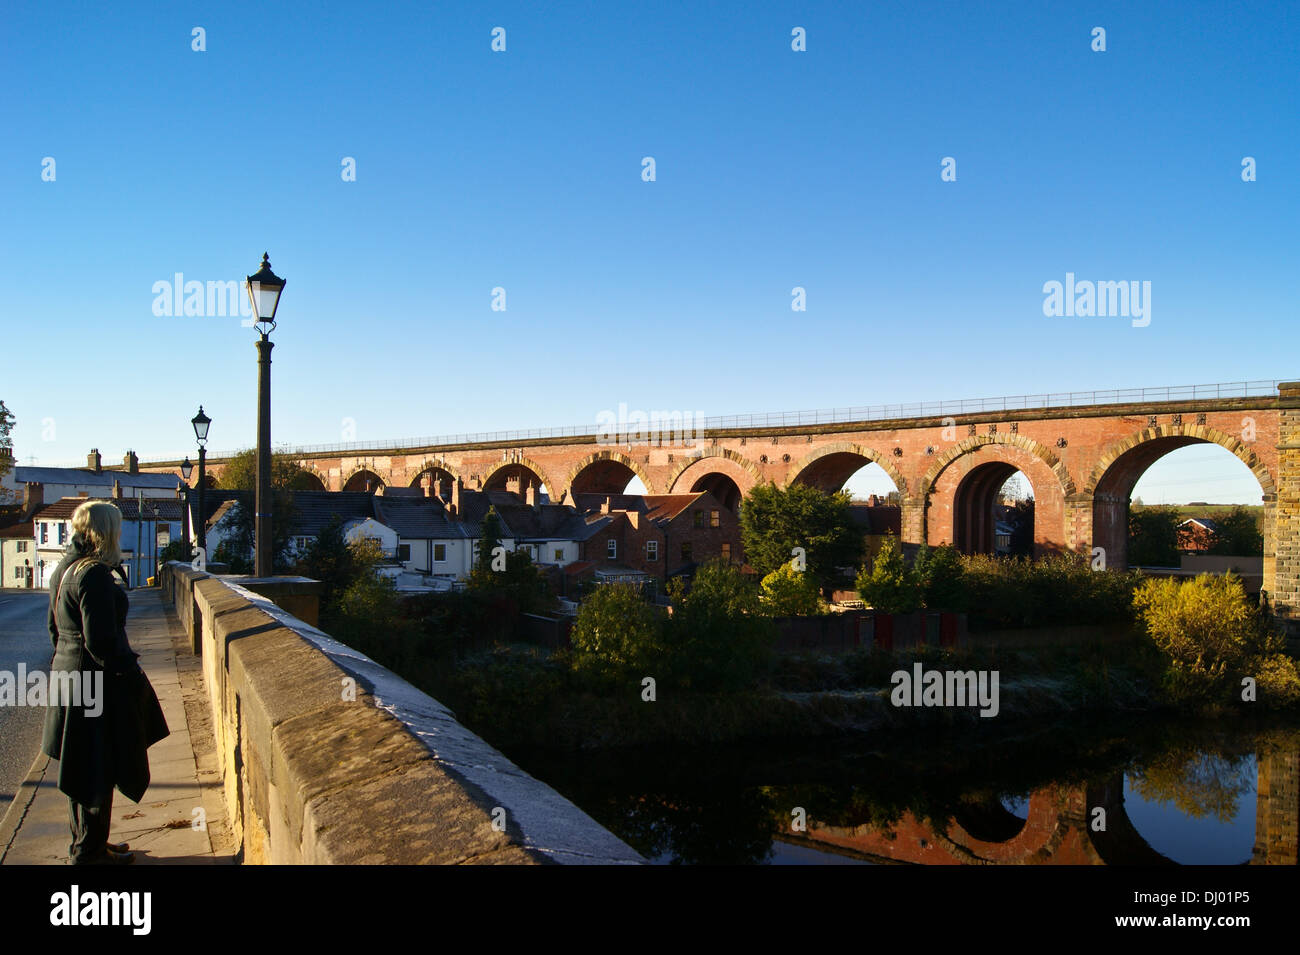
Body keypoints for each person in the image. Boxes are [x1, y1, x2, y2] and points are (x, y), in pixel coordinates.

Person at [42, 500, 167, 865]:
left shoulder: (64, 569)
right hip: (92, 683)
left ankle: (89, 843)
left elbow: (55, 630)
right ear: (104, 531)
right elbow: (101, 642)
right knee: (98, 763)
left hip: (70, 675)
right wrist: (129, 672)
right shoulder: (94, 574)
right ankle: (88, 853)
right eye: (116, 526)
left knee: (82, 765)